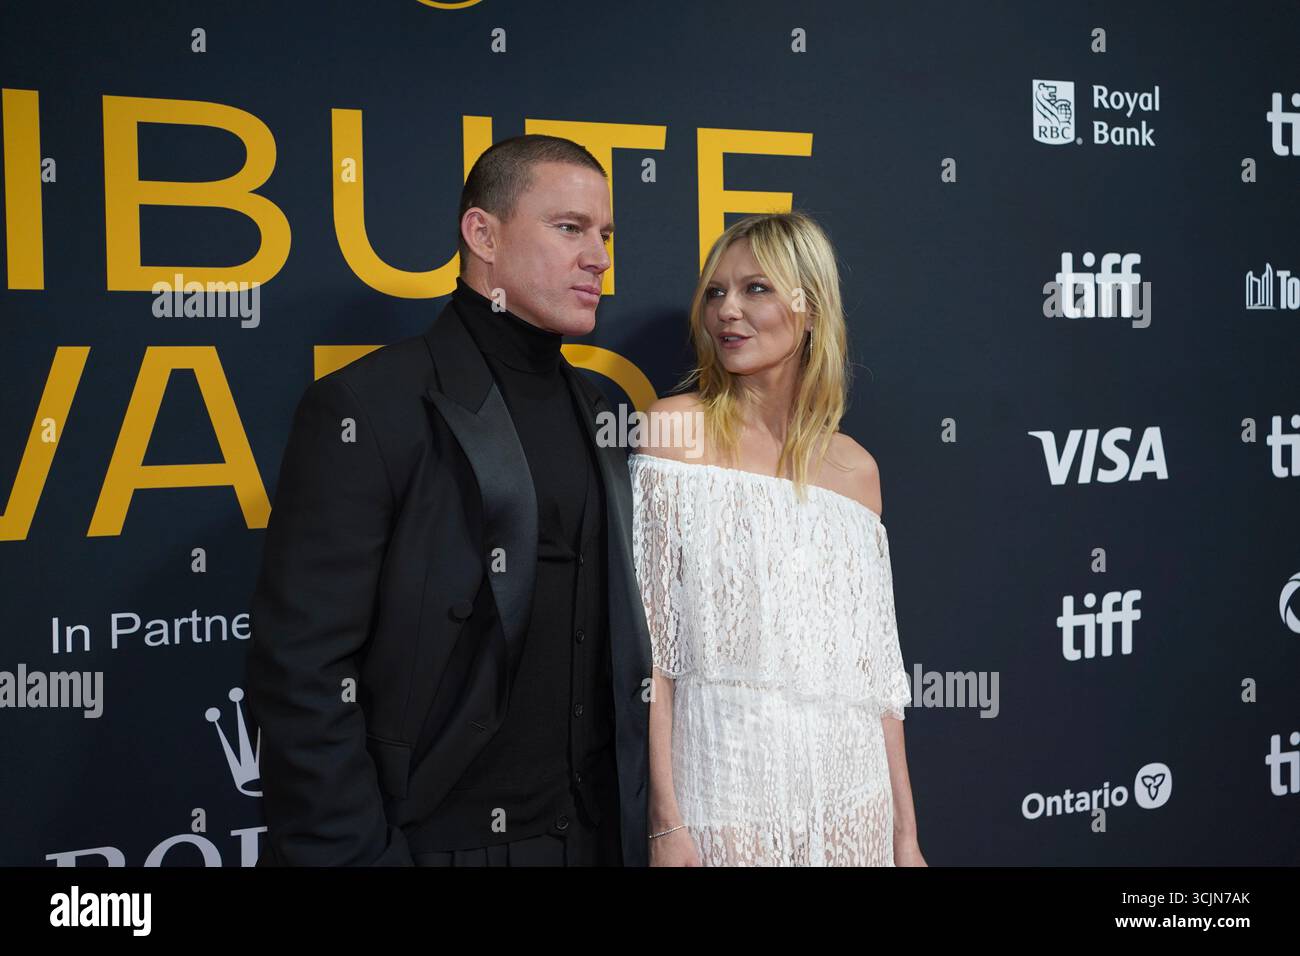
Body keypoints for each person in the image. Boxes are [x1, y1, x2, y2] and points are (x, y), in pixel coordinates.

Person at [245, 134, 652, 867]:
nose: (598, 257)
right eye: (569, 228)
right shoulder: (368, 407)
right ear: (482, 235)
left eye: (606, 235)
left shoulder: (607, 412)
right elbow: (303, 674)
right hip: (439, 845)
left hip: (596, 842)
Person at [631, 212, 926, 866]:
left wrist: (905, 837)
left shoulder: (856, 471)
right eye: (716, 292)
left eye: (755, 289)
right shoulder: (674, 435)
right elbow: (651, 653)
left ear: (810, 308)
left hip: (852, 803)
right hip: (725, 796)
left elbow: (877, 678)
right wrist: (665, 821)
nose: (727, 310)